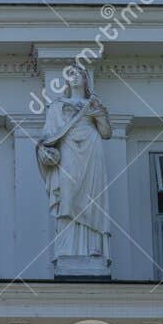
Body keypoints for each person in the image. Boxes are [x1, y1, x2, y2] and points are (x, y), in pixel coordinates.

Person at [35, 68, 112, 264]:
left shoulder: (93, 103)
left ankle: (94, 246)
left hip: (92, 148)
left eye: (80, 74)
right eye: (71, 74)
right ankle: (66, 248)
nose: (75, 77)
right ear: (66, 82)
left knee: (93, 197)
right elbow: (47, 137)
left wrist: (100, 115)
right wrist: (44, 151)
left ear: (87, 80)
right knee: (67, 194)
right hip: (68, 148)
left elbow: (106, 133)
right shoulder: (57, 106)